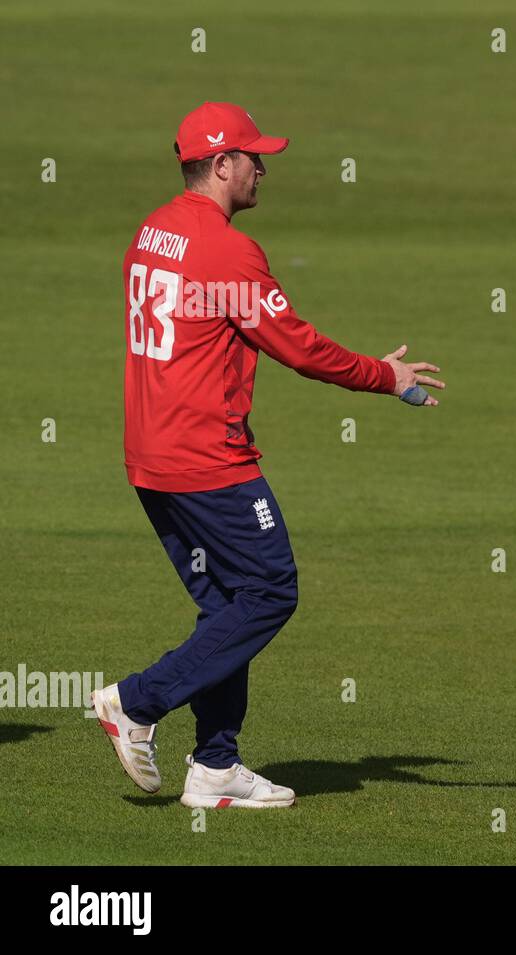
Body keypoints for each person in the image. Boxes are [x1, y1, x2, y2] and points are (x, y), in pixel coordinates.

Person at [93, 102, 443, 809]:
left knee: (225, 602)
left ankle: (216, 765)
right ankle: (136, 701)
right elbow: (298, 347)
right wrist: (386, 376)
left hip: (150, 455)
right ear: (221, 164)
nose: (263, 166)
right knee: (271, 588)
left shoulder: (154, 228)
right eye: (254, 156)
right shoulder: (226, 248)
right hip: (206, 458)